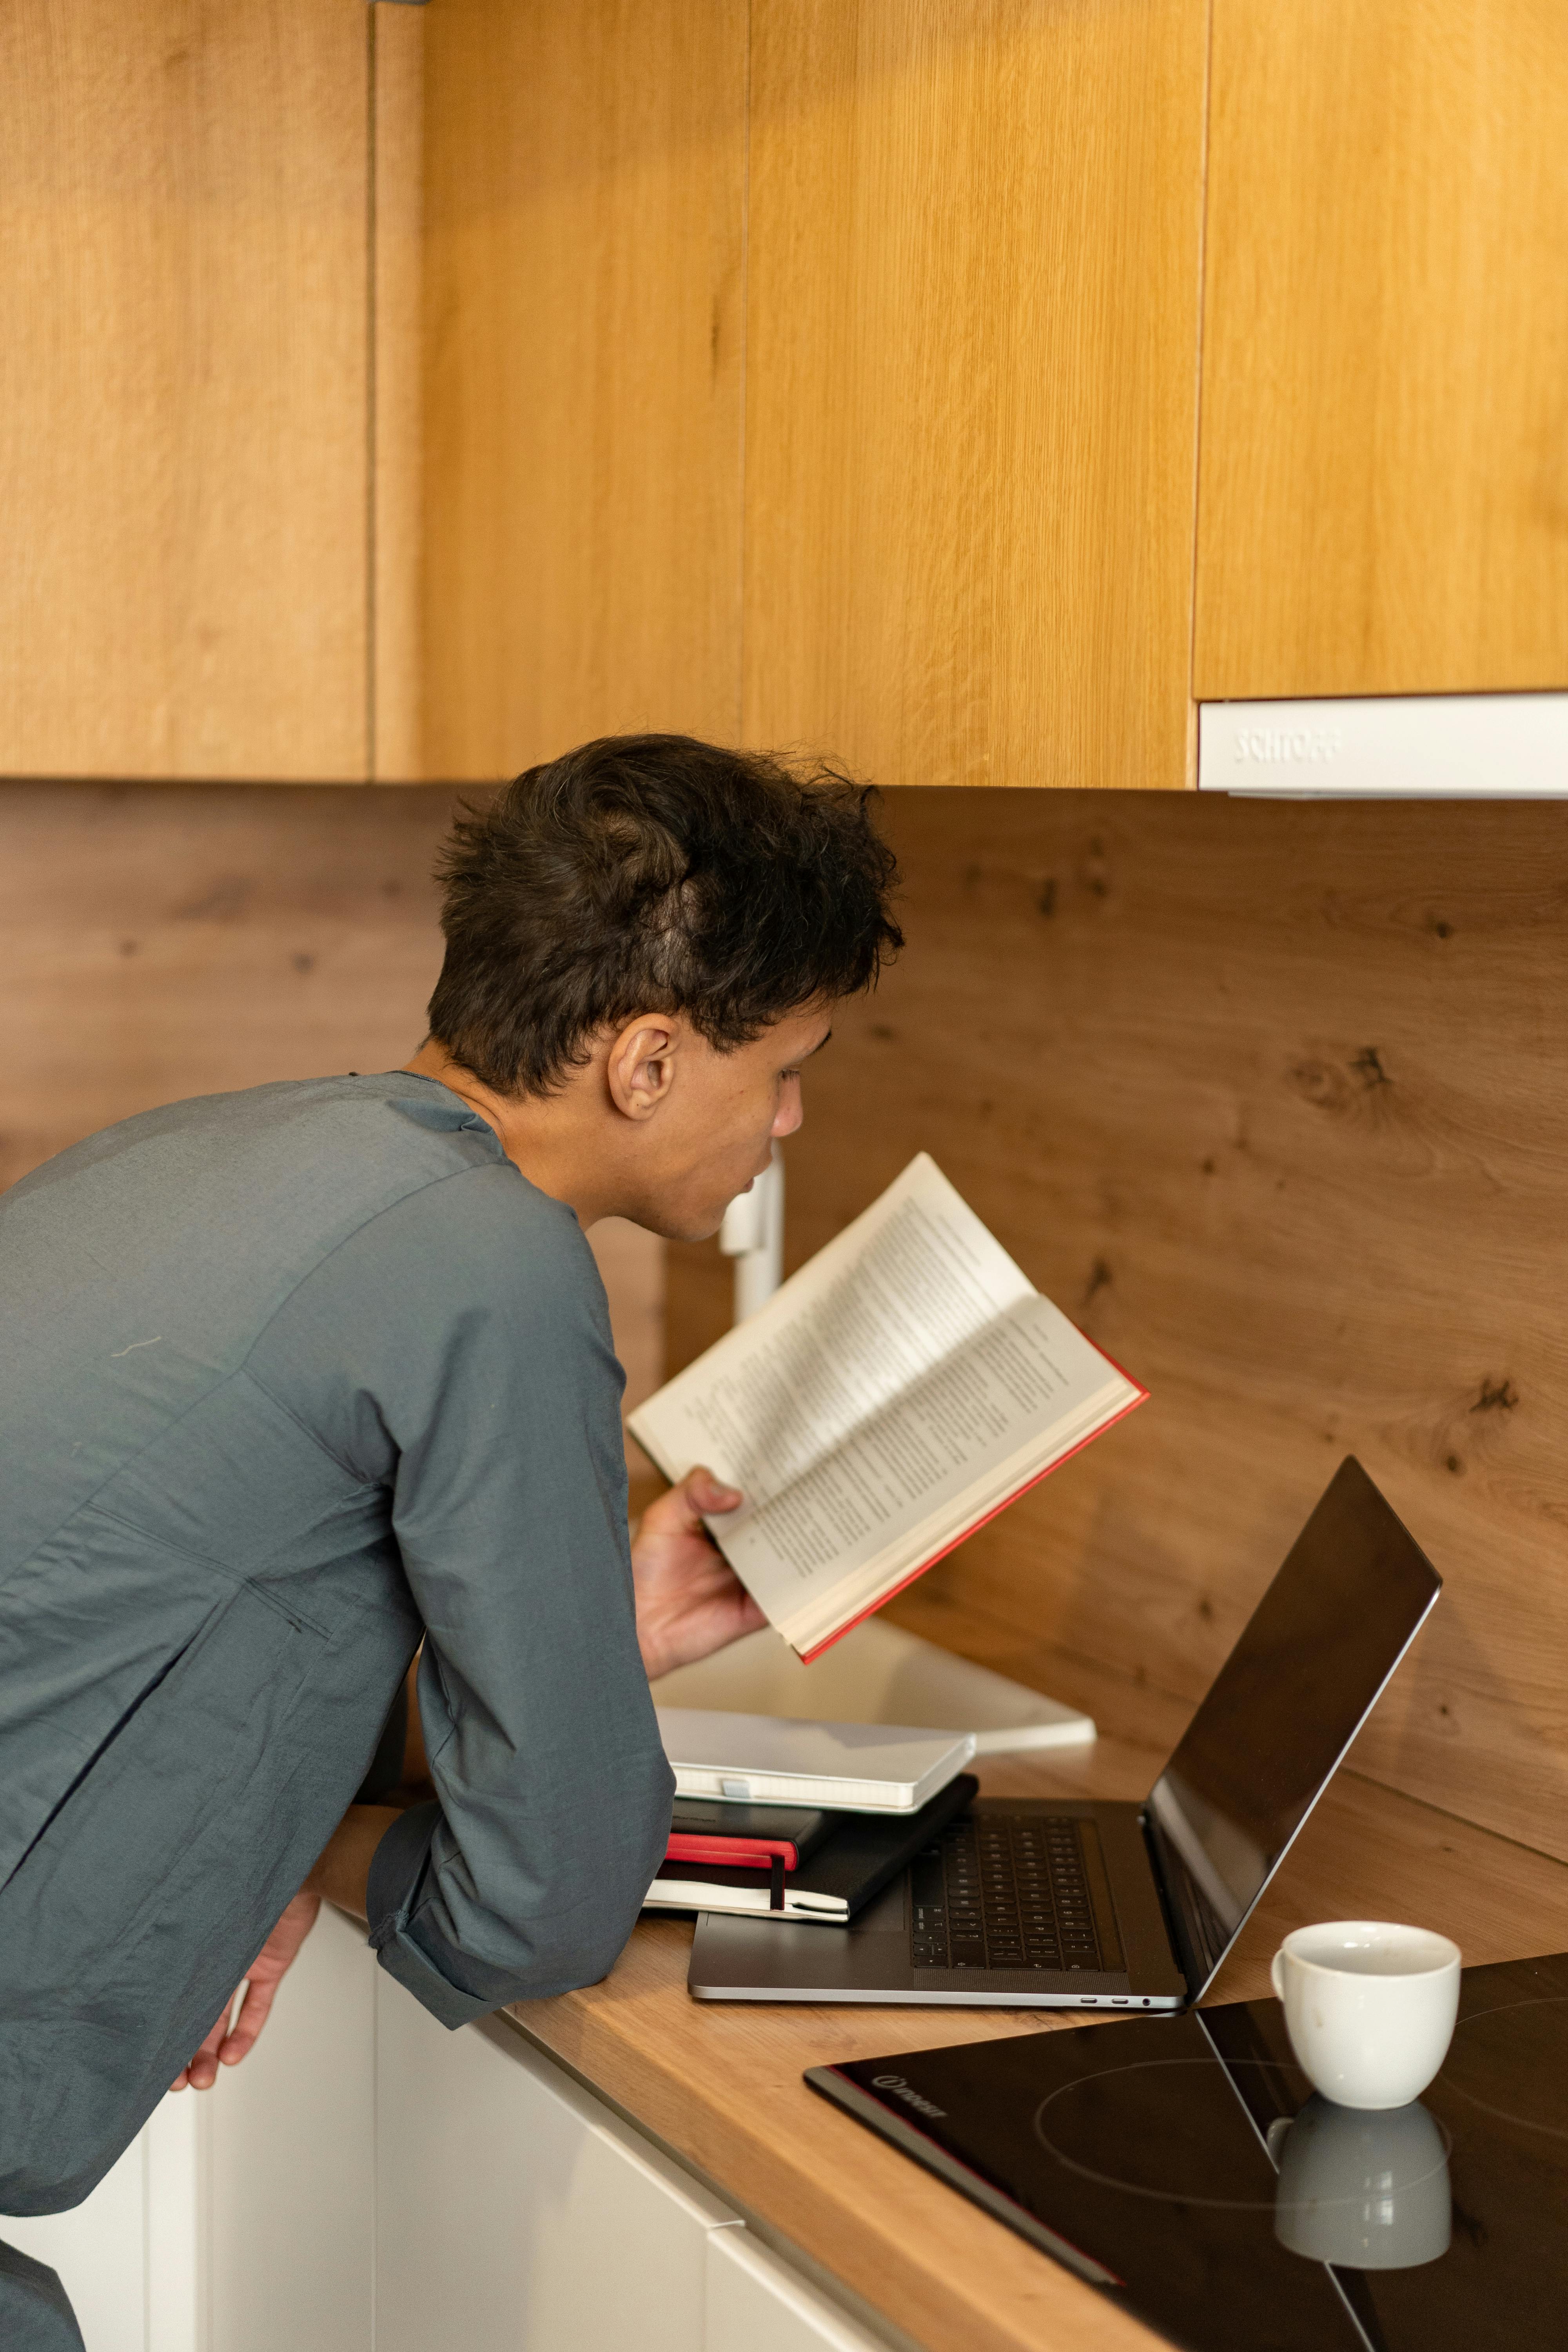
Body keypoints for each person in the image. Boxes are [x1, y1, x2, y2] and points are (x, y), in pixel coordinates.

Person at [0, 734, 901, 2348]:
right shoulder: (493, 1265)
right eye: (777, 1066)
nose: (786, 1116)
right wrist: (341, 1867)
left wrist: (585, 1636)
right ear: (642, 1064)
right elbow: (546, 1896)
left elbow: (186, 1617)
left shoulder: (208, 1151)